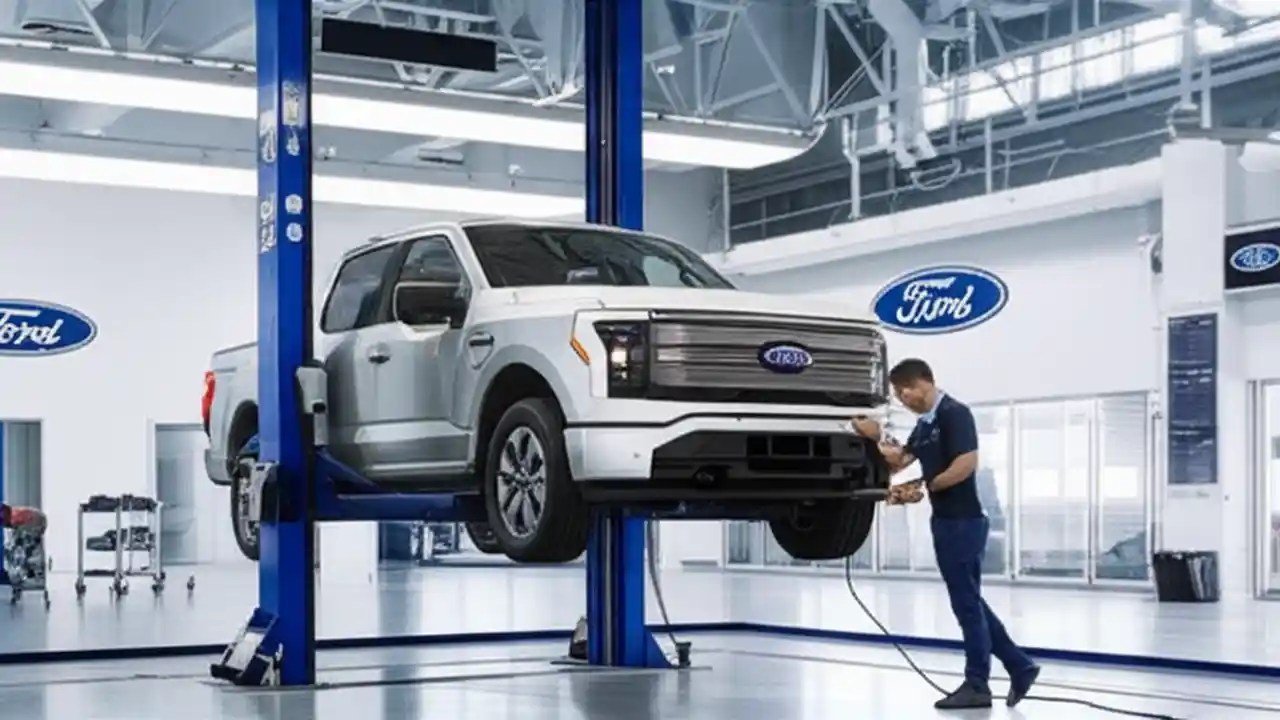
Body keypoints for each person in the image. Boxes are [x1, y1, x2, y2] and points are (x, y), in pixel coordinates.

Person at [852, 358, 1040, 710]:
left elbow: (966, 464)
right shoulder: (925, 425)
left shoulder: (955, 413)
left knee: (966, 605)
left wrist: (926, 484)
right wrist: (875, 437)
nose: (904, 397)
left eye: (907, 389)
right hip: (945, 521)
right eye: (898, 393)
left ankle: (977, 685)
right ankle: (1020, 666)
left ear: (926, 382)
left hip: (964, 522)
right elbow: (900, 460)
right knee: (971, 601)